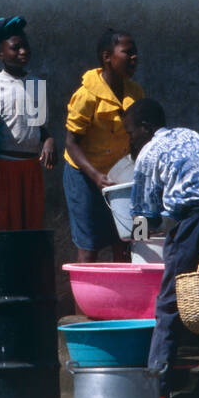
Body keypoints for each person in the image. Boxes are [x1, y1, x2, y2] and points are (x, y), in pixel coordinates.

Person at [124, 99, 199, 398]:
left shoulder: (147, 154)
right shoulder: (190, 134)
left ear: (144, 129)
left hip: (193, 223)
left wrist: (133, 238)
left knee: (169, 303)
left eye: (130, 132)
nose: (129, 139)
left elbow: (145, 217)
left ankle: (155, 387)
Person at [0, 16, 56, 230]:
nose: (23, 52)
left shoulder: (36, 85)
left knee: (30, 226)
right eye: (15, 48)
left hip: (31, 169)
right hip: (3, 169)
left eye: (25, 46)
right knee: (2, 226)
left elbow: (39, 126)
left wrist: (49, 140)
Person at [63, 29, 143, 263]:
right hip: (86, 176)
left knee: (129, 241)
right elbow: (71, 143)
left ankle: (127, 299)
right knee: (90, 245)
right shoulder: (87, 95)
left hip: (120, 177)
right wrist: (96, 176)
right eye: (128, 52)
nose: (134, 58)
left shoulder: (135, 92)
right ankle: (84, 300)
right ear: (107, 57)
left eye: (136, 52)